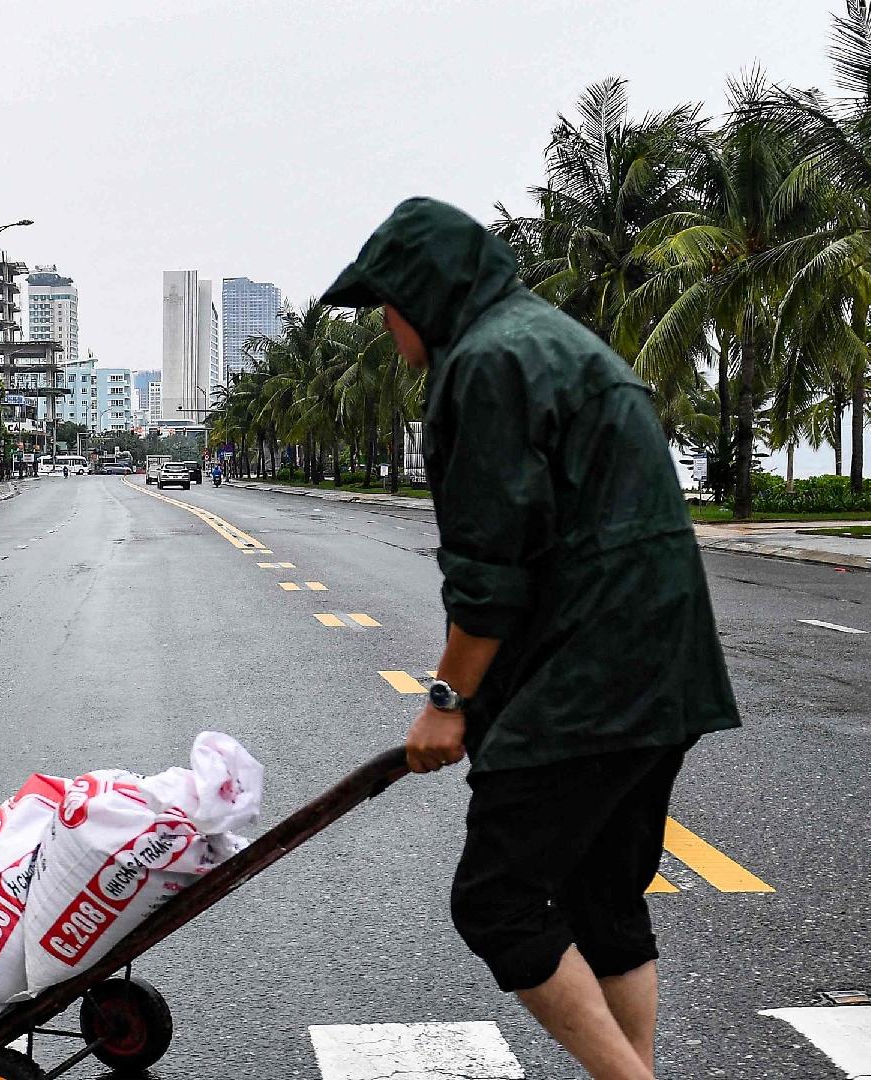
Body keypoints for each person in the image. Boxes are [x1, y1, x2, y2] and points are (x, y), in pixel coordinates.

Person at [322, 197, 739, 1080]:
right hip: (664, 674)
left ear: (424, 297)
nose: (389, 329)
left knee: (497, 901)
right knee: (602, 896)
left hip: (588, 683)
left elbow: (493, 570)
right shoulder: (553, 341)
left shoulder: (485, 365)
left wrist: (447, 700)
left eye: (390, 306)